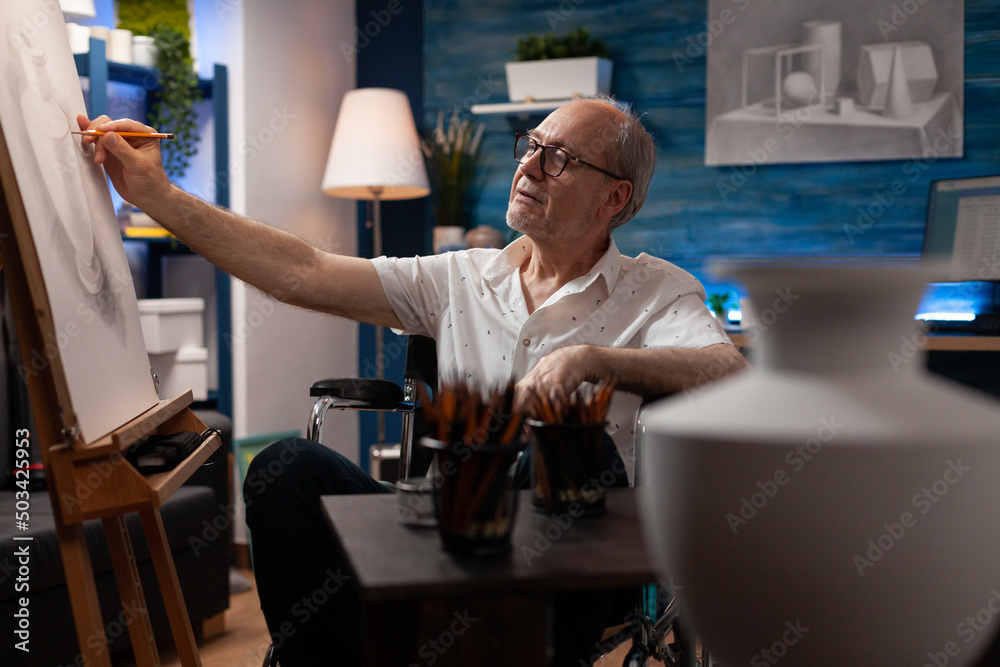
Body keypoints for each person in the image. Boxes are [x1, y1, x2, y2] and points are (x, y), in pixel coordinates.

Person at [79, 94, 748, 665]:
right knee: (286, 468)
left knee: (569, 447)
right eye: (532, 146)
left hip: (573, 557)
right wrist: (157, 196)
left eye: (560, 158)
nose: (528, 166)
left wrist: (592, 361)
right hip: (442, 529)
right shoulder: (460, 276)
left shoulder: (656, 290)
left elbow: (728, 371)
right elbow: (303, 271)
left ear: (614, 197)